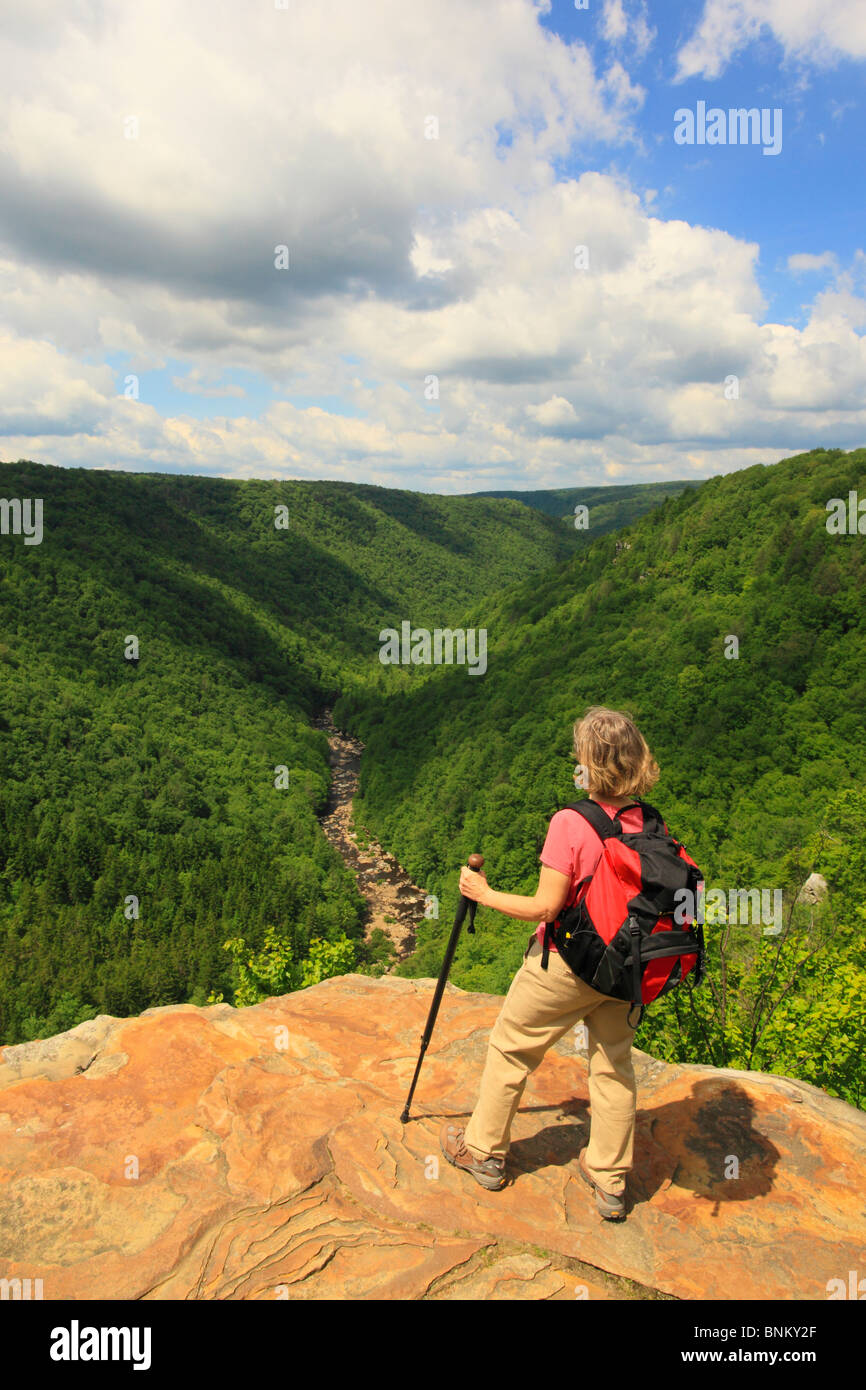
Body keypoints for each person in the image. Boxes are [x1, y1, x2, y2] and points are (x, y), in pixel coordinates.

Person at [439, 705, 662, 1221]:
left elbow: (545, 907)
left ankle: (485, 1154)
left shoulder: (571, 822)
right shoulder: (648, 820)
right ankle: (609, 1182)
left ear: (591, 762)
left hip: (565, 964)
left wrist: (483, 892)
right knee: (613, 1068)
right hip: (625, 968)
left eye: (580, 755)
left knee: (512, 1049)